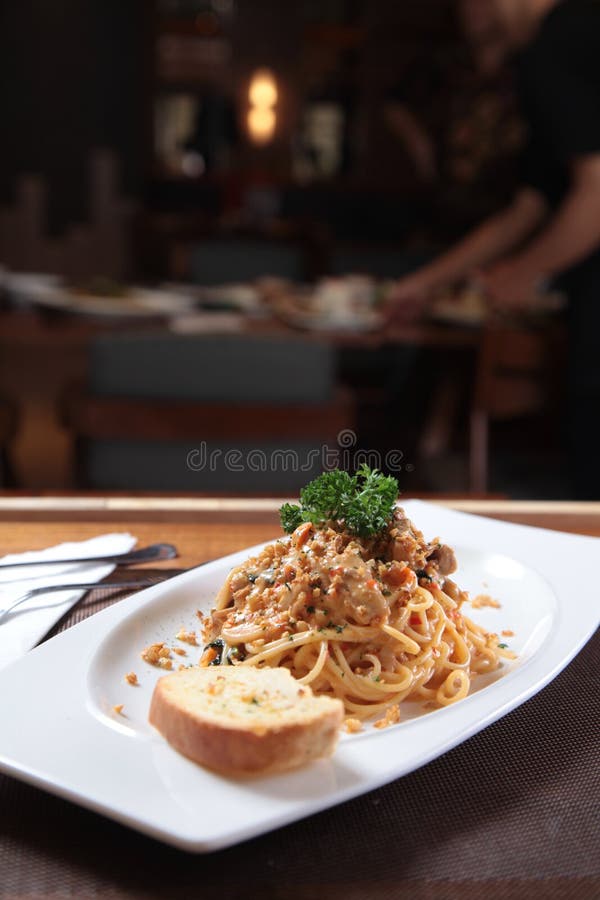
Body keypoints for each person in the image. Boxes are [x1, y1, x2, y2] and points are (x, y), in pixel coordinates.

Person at [389, 0, 600, 498]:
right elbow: (529, 205)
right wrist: (423, 285)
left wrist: (523, 273)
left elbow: (596, 196)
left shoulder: (560, 44)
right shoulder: (555, 48)